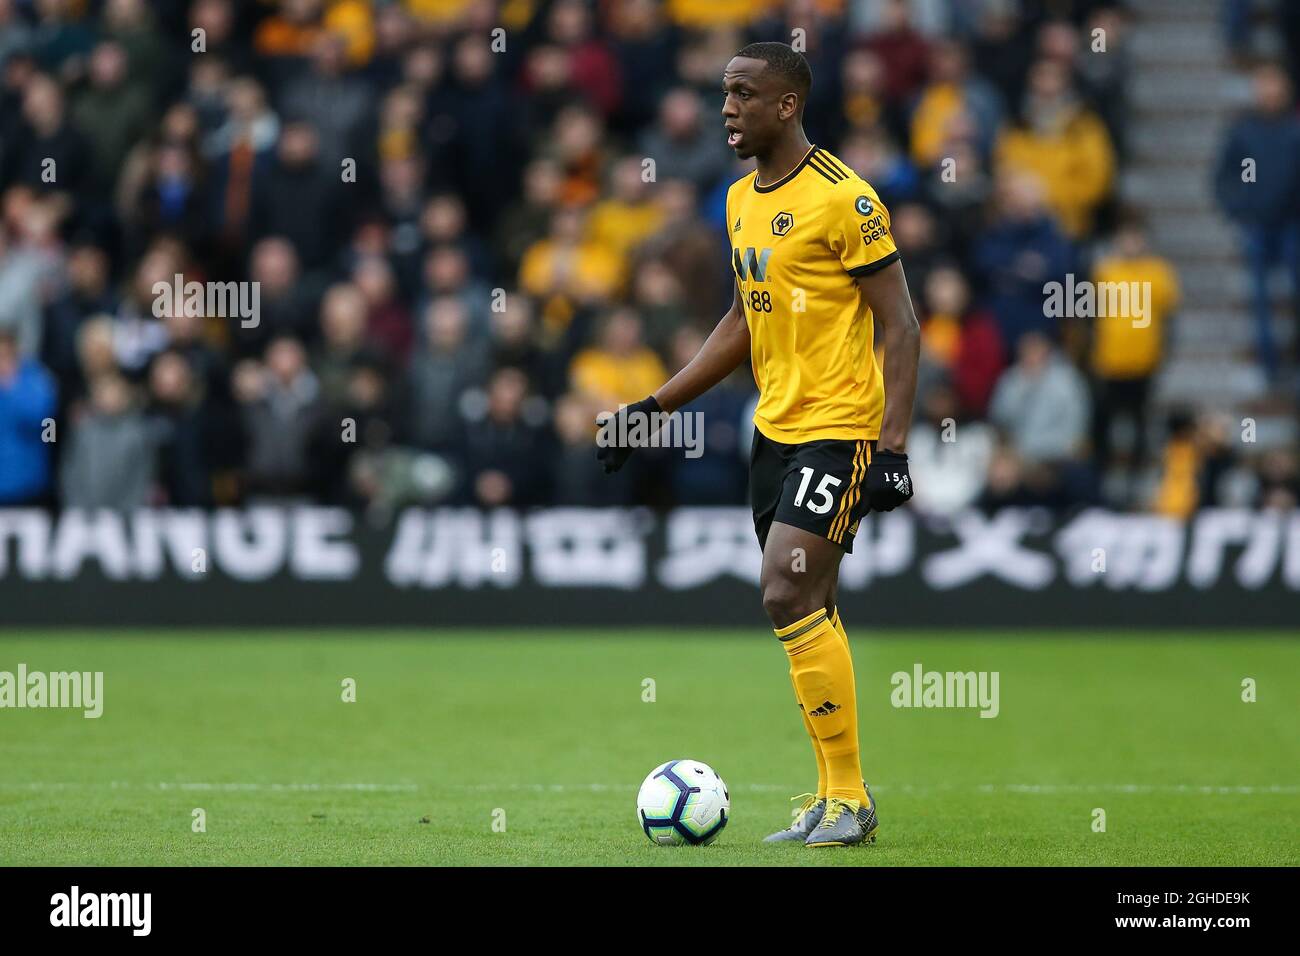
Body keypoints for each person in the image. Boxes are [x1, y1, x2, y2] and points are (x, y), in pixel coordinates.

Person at [596, 42, 920, 848]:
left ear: (787, 104)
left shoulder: (847, 200)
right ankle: (834, 797)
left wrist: (895, 447)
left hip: (839, 430)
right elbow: (744, 321)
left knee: (784, 590)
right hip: (773, 433)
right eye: (723, 93)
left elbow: (902, 324)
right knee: (809, 608)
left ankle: (847, 797)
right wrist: (653, 407)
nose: (727, 107)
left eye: (744, 93)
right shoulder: (738, 200)